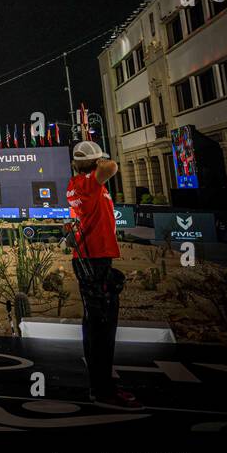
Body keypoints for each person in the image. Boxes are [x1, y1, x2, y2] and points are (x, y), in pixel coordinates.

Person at [66, 140, 141, 410]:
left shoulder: (78, 184)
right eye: (100, 161)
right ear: (96, 163)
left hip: (92, 258)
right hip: (93, 261)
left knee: (96, 324)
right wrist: (99, 162)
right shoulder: (87, 183)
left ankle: (101, 384)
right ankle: (102, 391)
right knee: (102, 328)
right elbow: (112, 165)